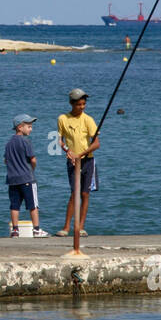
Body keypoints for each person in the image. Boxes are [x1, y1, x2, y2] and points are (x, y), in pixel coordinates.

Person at [56, 88, 99, 237]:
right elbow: (60, 141)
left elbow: (96, 144)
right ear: (71, 103)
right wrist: (68, 151)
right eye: (79, 104)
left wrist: (80, 154)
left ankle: (80, 227)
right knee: (74, 193)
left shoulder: (88, 120)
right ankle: (66, 227)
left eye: (84, 104)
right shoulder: (62, 119)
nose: (82, 107)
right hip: (72, 162)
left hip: (87, 160)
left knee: (85, 194)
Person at [5, 114, 46, 236]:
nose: (31, 129)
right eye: (29, 126)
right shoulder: (25, 142)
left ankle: (15, 230)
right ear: (20, 127)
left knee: (14, 205)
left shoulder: (9, 143)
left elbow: (6, 160)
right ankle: (37, 229)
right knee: (33, 205)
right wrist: (31, 170)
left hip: (12, 179)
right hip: (27, 177)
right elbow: (33, 159)